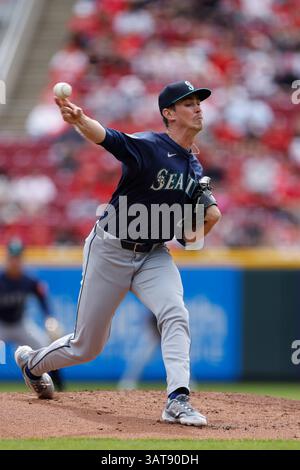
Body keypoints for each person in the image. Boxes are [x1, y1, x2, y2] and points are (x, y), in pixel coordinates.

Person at [15, 80, 221, 426]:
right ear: (168, 113)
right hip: (110, 248)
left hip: (153, 254)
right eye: (188, 103)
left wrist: (205, 222)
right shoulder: (150, 146)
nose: (198, 107)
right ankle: (33, 364)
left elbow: (191, 233)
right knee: (87, 346)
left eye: (199, 101)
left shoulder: (194, 170)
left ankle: (177, 399)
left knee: (175, 314)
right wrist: (79, 119)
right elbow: (107, 138)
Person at [0, 238, 64, 391]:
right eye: (12, 257)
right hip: (1, 325)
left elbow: (42, 298)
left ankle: (61, 388)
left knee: (46, 348)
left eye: (18, 257)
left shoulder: (28, 280)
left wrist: (49, 318)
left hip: (21, 324)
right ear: (7, 258)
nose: (15, 261)